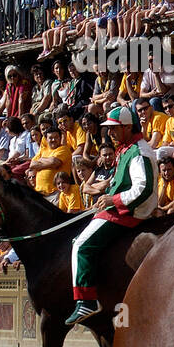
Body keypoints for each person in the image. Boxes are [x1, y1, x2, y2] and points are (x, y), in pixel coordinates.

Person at [66, 106, 160, 323]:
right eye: (108, 129)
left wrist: (113, 199)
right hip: (120, 207)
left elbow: (143, 188)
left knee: (81, 245)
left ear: (128, 127)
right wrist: (104, 190)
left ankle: (87, 301)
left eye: (114, 128)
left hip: (131, 211)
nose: (110, 133)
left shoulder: (138, 152)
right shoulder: (128, 148)